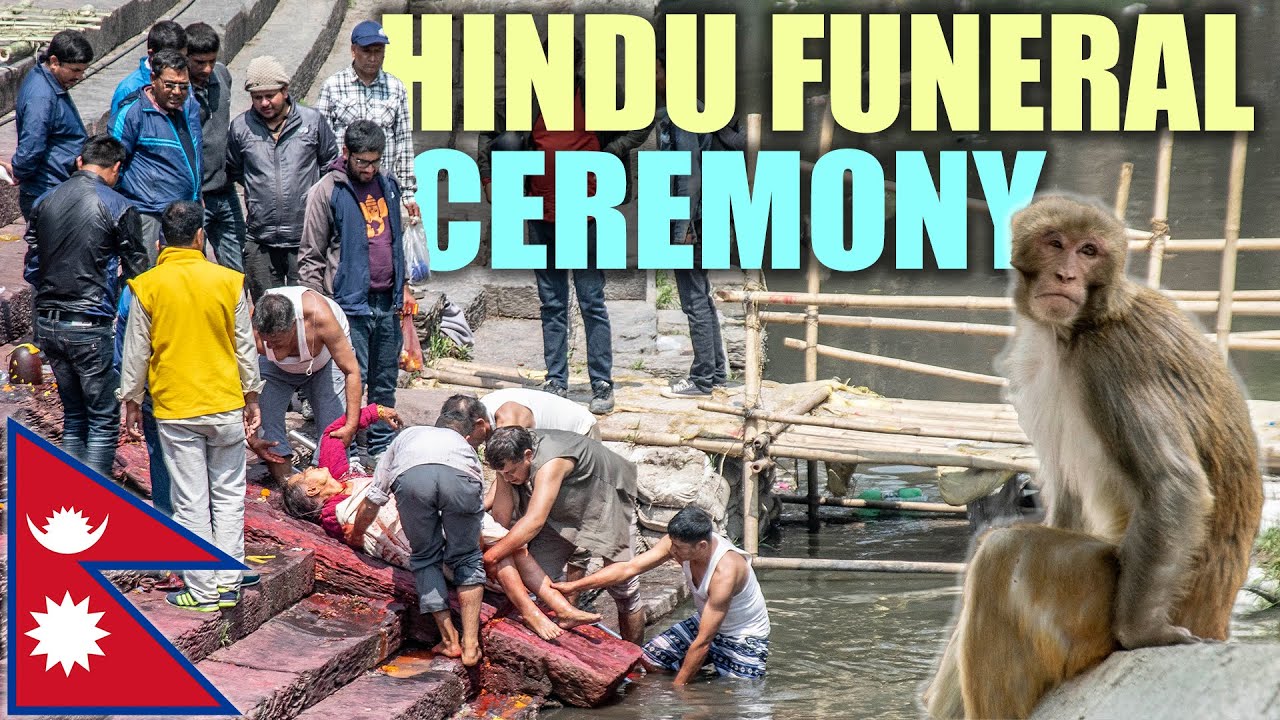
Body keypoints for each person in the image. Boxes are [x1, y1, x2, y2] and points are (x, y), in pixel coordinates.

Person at [282, 403, 601, 641]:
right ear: (312, 489)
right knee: (498, 552)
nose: (311, 468)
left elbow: (331, 437)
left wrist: (376, 412)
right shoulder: (332, 513)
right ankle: (535, 612)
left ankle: (560, 608)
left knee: (512, 547)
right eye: (307, 472)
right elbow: (364, 525)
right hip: (416, 533)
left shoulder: (342, 477)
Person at [478, 41, 650, 415]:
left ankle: (601, 382)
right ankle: (556, 379)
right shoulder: (524, 98)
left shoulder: (595, 94)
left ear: (573, 64)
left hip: (586, 211)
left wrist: (612, 151)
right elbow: (489, 131)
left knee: (592, 301)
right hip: (540, 210)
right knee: (552, 302)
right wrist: (488, 174)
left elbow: (641, 119)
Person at [120, 200, 263, 612]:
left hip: (176, 408)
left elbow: (136, 353)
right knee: (229, 494)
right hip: (224, 403)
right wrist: (252, 397)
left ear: (162, 238)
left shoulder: (147, 285)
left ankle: (201, 591)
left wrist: (131, 401)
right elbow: (244, 349)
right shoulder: (229, 281)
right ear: (201, 237)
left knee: (191, 500)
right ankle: (229, 580)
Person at [23, 135, 148, 476]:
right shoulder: (118, 206)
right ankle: (93, 500)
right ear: (116, 169)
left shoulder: (46, 200)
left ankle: (73, 494)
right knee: (102, 419)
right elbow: (139, 272)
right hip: (88, 325)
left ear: (80, 162)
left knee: (75, 415)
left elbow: (32, 266)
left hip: (48, 323)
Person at [554, 505, 771, 683]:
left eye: (678, 548)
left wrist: (678, 694)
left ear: (701, 546)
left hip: (744, 635)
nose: (672, 551)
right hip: (705, 620)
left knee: (740, 696)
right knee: (649, 660)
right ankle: (698, 673)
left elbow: (704, 641)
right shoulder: (678, 543)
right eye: (672, 544)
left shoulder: (726, 571)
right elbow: (628, 568)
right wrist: (575, 586)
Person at [343, 409, 487, 665]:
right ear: (465, 432)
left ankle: (450, 640)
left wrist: (356, 535)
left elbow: (375, 497)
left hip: (413, 478)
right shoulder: (466, 447)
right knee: (468, 559)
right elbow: (477, 502)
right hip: (462, 479)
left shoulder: (407, 435)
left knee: (425, 558)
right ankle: (471, 646)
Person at [299, 120, 405, 461]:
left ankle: (382, 447)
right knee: (350, 380)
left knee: (385, 379)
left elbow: (396, 242)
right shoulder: (328, 190)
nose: (369, 168)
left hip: (387, 300)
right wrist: (319, 309)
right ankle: (353, 449)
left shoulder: (389, 184)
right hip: (347, 305)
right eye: (362, 162)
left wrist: (405, 290)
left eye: (375, 161)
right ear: (346, 154)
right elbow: (310, 258)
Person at [483, 425, 646, 644]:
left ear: (528, 456)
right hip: (561, 508)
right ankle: (565, 614)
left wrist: (491, 557)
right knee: (532, 578)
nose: (508, 478)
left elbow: (533, 522)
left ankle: (635, 658)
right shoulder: (507, 462)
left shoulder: (551, 463)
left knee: (624, 590)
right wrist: (493, 546)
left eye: (511, 472)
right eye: (502, 474)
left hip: (607, 497)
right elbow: (501, 517)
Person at [228, 55, 338, 299]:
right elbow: (235, 169)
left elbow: (330, 166)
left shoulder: (312, 122)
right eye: (257, 97)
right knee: (268, 315)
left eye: (270, 96)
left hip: (305, 240)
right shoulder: (240, 128)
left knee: (307, 311)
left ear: (285, 90)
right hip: (261, 240)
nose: (264, 103)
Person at [654, 52, 728, 398]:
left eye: (654, 70)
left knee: (693, 300)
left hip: (693, 222)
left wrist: (681, 227)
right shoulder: (695, 108)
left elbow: (689, 175)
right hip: (705, 217)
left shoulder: (683, 113)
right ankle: (716, 372)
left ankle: (701, 379)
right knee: (702, 295)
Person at [249, 288, 361, 484]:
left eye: (277, 342)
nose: (272, 348)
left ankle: (325, 480)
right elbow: (239, 374)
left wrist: (351, 425)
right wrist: (249, 431)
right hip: (275, 371)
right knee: (266, 425)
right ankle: (288, 486)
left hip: (325, 362)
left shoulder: (320, 317)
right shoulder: (253, 331)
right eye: (268, 343)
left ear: (293, 326)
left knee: (333, 430)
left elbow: (351, 371)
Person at [313, 20, 419, 220]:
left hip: (382, 187)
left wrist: (408, 194)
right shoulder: (332, 86)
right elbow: (320, 143)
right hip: (344, 186)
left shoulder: (396, 88)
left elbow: (404, 143)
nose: (373, 58)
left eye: (378, 51)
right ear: (354, 51)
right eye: (366, 51)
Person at [112, 49, 203, 262]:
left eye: (183, 86)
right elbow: (114, 164)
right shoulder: (134, 113)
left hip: (187, 213)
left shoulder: (188, 108)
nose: (177, 92)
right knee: (148, 279)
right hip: (150, 215)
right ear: (153, 79)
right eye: (170, 85)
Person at [10, 30, 91, 220]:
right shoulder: (42, 96)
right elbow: (32, 144)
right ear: (54, 62)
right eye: (75, 70)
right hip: (46, 191)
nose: (80, 76)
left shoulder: (50, 83)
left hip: (57, 188)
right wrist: (19, 170)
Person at [186, 22, 244, 272]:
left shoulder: (222, 75)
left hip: (225, 189)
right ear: (184, 56)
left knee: (238, 267)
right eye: (199, 62)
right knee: (194, 269)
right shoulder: (180, 90)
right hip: (194, 196)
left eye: (211, 60)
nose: (207, 68)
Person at [110, 20, 187, 117]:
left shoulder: (184, 80)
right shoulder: (129, 89)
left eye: (182, 58)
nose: (177, 91)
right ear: (151, 54)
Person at [476, 387, 598, 438]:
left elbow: (507, 465)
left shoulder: (508, 420)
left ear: (480, 423)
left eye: (468, 436)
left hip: (582, 432)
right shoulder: (480, 407)